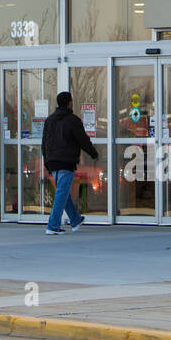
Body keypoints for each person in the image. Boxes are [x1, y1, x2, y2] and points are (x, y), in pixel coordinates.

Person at [41, 91, 99, 234]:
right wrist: (94, 153)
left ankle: (75, 219)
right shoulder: (73, 120)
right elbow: (83, 140)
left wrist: (46, 160)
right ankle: (52, 226)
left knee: (63, 191)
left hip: (52, 161)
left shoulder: (49, 120)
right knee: (61, 193)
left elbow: (44, 143)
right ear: (69, 102)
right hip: (65, 162)